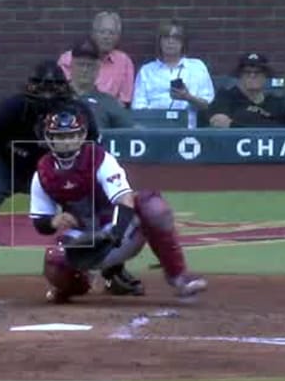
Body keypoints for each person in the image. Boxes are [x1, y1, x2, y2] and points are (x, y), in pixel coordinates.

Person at [0, 62, 131, 302]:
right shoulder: (11, 107)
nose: (47, 96)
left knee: (95, 203)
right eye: (41, 88)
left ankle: (113, 269)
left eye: (53, 88)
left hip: (60, 171)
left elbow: (96, 158)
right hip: (8, 166)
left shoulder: (79, 112)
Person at [31, 109, 206, 303]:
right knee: (55, 261)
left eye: (71, 136)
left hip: (118, 232)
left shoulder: (99, 159)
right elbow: (40, 220)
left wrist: (114, 234)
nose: (66, 142)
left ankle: (178, 276)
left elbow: (125, 199)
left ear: (81, 136)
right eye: (60, 137)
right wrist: (53, 221)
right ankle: (78, 285)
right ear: (49, 138)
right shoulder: (43, 173)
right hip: (83, 237)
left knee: (152, 207)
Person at [131, 20, 214, 121]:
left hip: (188, 127)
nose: (171, 42)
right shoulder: (146, 71)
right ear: (160, 42)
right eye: (166, 37)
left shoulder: (197, 67)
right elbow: (138, 107)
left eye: (176, 38)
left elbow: (208, 104)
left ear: (183, 42)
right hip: (155, 126)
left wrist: (188, 97)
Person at [57, 10, 135, 106]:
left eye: (111, 33)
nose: (106, 37)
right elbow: (62, 94)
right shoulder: (68, 59)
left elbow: (124, 101)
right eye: (102, 32)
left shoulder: (124, 62)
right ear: (93, 34)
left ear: (118, 37)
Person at [205, 51, 285, 128]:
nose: (252, 75)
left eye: (257, 72)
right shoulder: (226, 98)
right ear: (239, 76)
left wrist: (233, 125)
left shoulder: (276, 103)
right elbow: (218, 121)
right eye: (247, 72)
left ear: (265, 77)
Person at [67, 38, 130, 131]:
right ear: (71, 66)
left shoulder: (108, 102)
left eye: (90, 65)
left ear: (98, 68)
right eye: (80, 64)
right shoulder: (57, 99)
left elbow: (134, 131)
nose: (85, 70)